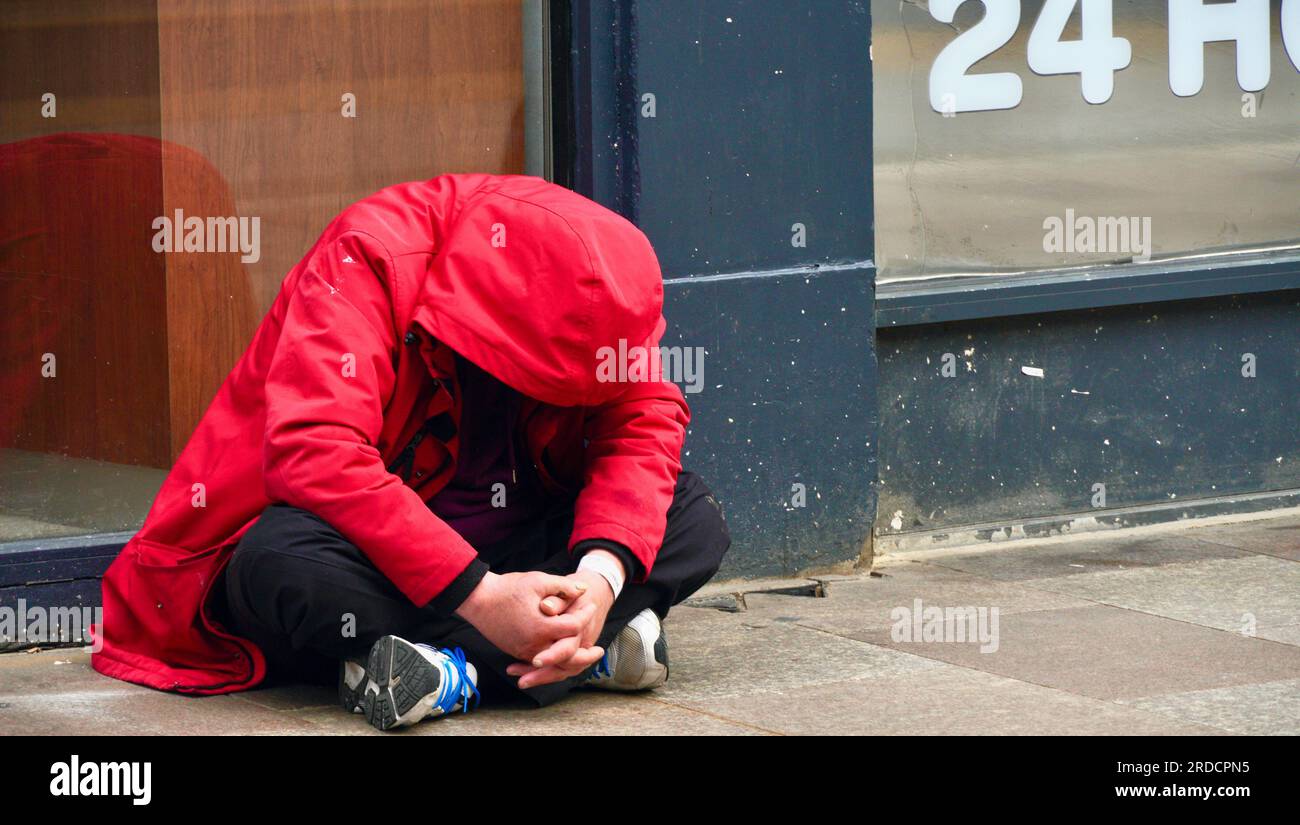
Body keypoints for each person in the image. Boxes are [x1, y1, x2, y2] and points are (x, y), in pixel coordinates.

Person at [92, 174, 730, 730]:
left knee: (691, 513)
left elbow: (643, 423)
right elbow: (315, 452)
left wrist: (596, 581)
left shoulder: (601, 287)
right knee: (273, 561)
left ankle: (449, 672)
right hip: (372, 552)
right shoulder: (370, 254)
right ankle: (575, 660)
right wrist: (482, 599)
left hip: (507, 555)